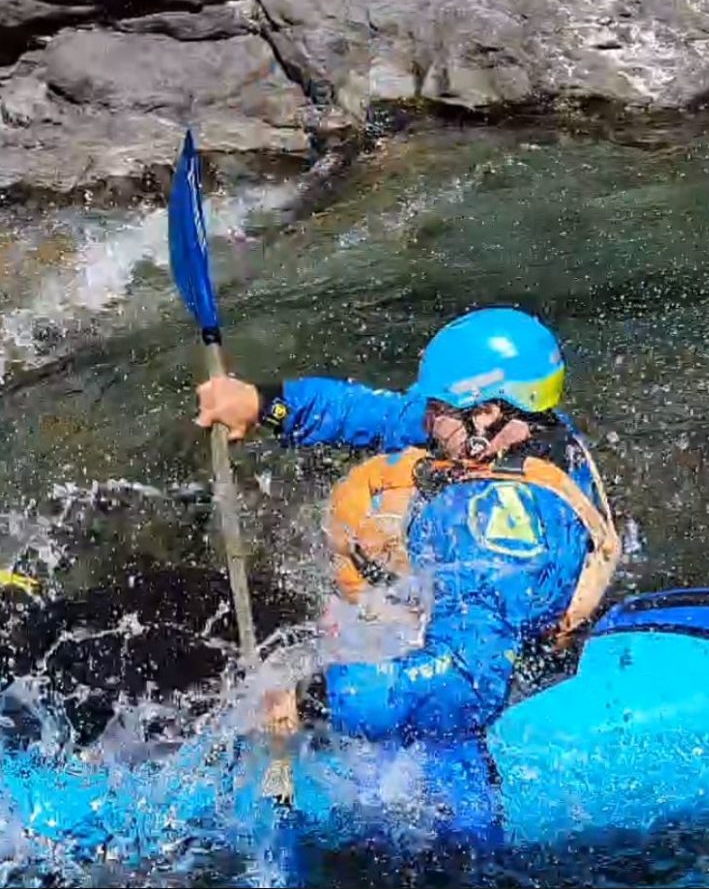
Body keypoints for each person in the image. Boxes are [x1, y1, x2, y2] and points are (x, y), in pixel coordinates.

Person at [197, 307, 620, 741]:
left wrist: (314, 698)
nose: (426, 419)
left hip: (506, 690)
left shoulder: (489, 523)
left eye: (438, 408)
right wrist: (269, 404)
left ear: (489, 411)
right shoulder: (532, 427)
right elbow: (383, 415)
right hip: (498, 633)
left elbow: (465, 682)